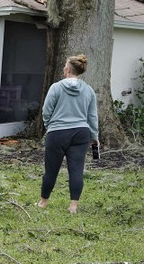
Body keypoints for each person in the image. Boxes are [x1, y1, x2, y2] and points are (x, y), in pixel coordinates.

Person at [37, 54, 99, 214]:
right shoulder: (89, 90)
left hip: (57, 132)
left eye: (65, 65)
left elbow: (46, 111)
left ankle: (43, 202)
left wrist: (49, 125)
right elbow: (92, 116)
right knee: (76, 169)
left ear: (68, 69)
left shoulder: (56, 87)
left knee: (51, 169)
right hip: (81, 133)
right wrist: (94, 137)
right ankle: (73, 206)